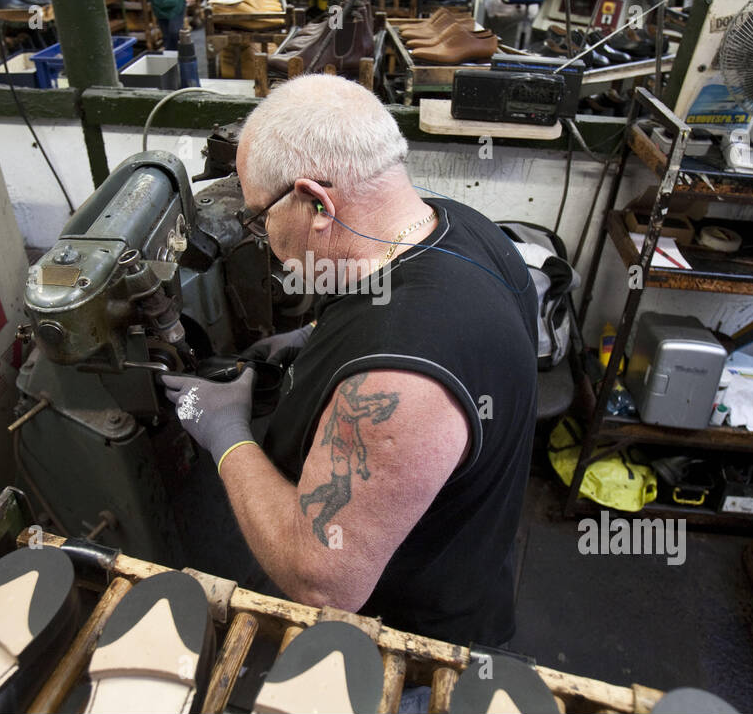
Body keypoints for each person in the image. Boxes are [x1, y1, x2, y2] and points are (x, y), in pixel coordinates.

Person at [160, 75, 538, 647]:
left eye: (259, 217)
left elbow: (322, 584)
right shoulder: (459, 228)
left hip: (402, 643)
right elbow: (400, 310)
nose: (259, 235)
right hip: (464, 550)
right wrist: (314, 338)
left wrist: (226, 434)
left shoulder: (400, 382)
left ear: (316, 203)